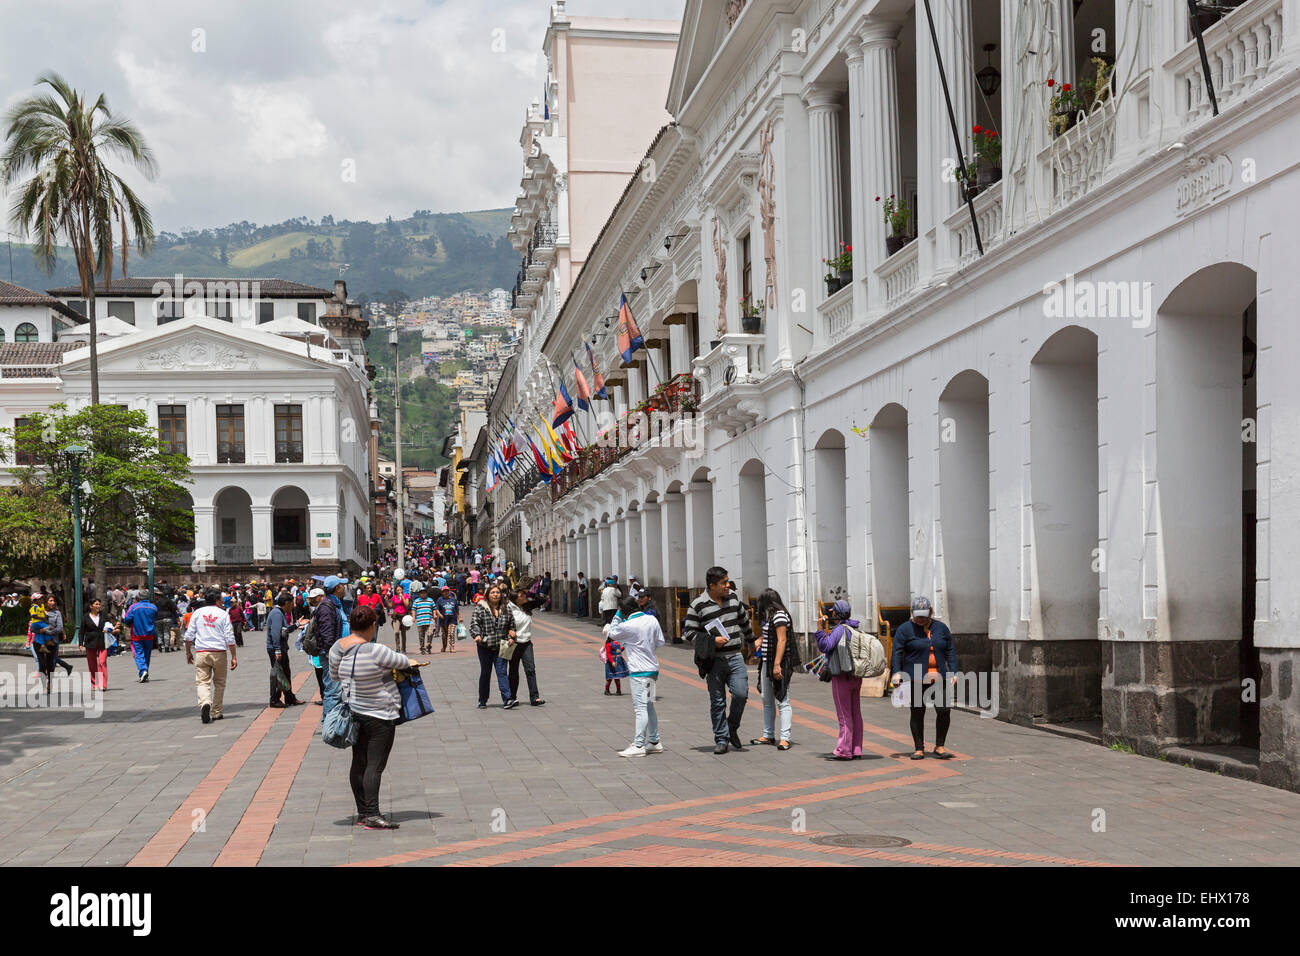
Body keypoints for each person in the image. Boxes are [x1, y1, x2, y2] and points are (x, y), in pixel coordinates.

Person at [330, 604, 410, 830]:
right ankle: (373, 814)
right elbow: (403, 662)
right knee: (374, 765)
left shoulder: (338, 647)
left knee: (359, 762)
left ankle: (363, 811)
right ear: (372, 625)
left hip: (355, 711)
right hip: (380, 714)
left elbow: (334, 675)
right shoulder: (376, 650)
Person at [684, 566, 754, 755]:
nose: (728, 585)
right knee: (718, 702)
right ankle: (721, 739)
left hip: (736, 657)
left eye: (728, 581)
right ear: (712, 585)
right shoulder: (698, 605)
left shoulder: (733, 598)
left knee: (741, 694)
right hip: (714, 660)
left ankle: (732, 727)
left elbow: (744, 621)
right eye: (724, 582)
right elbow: (688, 632)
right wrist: (712, 641)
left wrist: (751, 642)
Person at [890, 596, 958, 760]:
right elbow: (897, 652)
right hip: (916, 678)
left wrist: (954, 672)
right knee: (917, 712)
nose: (920, 619)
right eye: (917, 615)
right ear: (912, 613)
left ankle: (940, 746)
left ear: (931, 612)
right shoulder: (905, 629)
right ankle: (919, 748)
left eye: (924, 615)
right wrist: (896, 672)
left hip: (939, 677)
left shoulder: (941, 628)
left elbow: (950, 650)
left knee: (944, 710)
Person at [606, 595, 665, 756]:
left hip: (639, 671)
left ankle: (639, 745)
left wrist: (617, 615)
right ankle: (654, 741)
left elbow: (611, 633)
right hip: (652, 668)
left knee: (640, 708)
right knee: (649, 705)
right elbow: (660, 642)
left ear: (624, 611)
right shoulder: (652, 620)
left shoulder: (628, 625)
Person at [817, 599, 864, 760]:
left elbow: (825, 646)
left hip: (842, 676)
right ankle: (856, 748)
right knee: (856, 713)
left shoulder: (839, 630)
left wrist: (820, 630)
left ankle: (844, 750)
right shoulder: (856, 627)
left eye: (833, 613)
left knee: (844, 715)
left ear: (836, 614)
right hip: (856, 676)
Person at [185, 590, 239, 723]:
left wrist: (188, 652)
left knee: (202, 682)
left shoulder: (197, 613)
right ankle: (216, 712)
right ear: (216, 600)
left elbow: (189, 635)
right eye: (221, 600)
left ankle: (205, 702)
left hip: (201, 652)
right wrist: (233, 656)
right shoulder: (223, 614)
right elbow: (229, 637)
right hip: (219, 652)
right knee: (220, 683)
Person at [752, 588, 795, 751]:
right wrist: (760, 639)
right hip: (766, 662)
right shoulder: (773, 617)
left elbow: (782, 640)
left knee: (783, 699)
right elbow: (773, 635)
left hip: (778, 663)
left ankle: (785, 738)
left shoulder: (780, 616)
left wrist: (777, 664)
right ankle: (768, 734)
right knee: (767, 700)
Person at [470, 582, 513, 708]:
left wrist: (511, 636)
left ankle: (507, 699)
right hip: (485, 645)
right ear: (488, 595)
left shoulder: (506, 608)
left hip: (503, 644)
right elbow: (474, 623)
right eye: (493, 592)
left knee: (502, 672)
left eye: (498, 592)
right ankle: (482, 700)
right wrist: (477, 635)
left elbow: (512, 624)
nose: (495, 595)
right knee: (485, 672)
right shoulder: (481, 607)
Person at [504, 587, 545, 708]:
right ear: (516, 599)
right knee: (513, 671)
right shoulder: (507, 609)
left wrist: (530, 592)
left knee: (530, 669)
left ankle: (534, 697)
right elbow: (501, 624)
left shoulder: (526, 606)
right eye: (522, 595)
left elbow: (542, 600)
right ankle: (512, 697)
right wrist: (508, 632)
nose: (525, 597)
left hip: (526, 643)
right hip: (512, 643)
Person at [314, 576, 349, 718]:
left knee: (336, 689)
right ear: (337, 588)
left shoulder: (334, 604)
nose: (345, 587)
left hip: (336, 651)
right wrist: (331, 652)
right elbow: (326, 631)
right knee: (333, 690)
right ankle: (328, 721)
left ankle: (334, 718)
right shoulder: (326, 606)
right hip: (330, 654)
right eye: (342, 585)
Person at [266, 592, 302, 708]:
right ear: (286, 603)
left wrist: (296, 625)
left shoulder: (279, 613)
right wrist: (277, 650)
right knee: (278, 674)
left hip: (280, 647)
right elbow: (275, 633)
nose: (293, 606)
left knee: (285, 672)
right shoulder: (277, 614)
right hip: (277, 648)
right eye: (291, 604)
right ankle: (274, 699)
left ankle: (289, 697)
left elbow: (284, 630)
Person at [124, 590, 158, 683]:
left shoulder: (134, 607)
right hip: (149, 634)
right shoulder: (153, 607)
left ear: (138, 598)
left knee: (138, 654)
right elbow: (155, 617)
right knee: (147, 654)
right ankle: (145, 671)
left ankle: (143, 670)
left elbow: (127, 619)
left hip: (137, 634)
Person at [82, 597, 110, 691]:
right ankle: (95, 683)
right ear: (91, 606)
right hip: (90, 642)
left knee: (102, 662)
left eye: (99, 604)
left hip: (103, 642)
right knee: (92, 664)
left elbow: (109, 625)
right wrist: (81, 644)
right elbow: (81, 631)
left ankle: (103, 684)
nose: (98, 606)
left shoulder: (104, 615)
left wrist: (109, 629)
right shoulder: (86, 617)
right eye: (96, 604)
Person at [601, 628, 629, 695]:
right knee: (610, 677)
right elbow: (608, 654)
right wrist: (612, 662)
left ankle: (618, 690)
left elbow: (618, 651)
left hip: (618, 662)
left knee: (617, 677)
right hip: (611, 662)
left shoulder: (617, 643)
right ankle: (607, 690)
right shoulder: (608, 644)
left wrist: (624, 647)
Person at [412, 586, 437, 655]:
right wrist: (413, 617)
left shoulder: (430, 600)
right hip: (420, 621)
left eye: (424, 593)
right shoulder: (416, 601)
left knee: (430, 633)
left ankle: (428, 646)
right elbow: (413, 610)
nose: (423, 594)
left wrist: (434, 614)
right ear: (419, 594)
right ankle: (422, 648)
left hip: (429, 620)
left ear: (426, 593)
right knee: (421, 636)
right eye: (421, 593)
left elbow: (434, 608)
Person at [435, 585, 459, 653]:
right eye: (444, 591)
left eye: (447, 591)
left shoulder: (453, 599)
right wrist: (439, 615)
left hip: (452, 619)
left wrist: (459, 617)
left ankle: (452, 647)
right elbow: (437, 609)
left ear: (449, 591)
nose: (445, 593)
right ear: (442, 592)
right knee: (444, 635)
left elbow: (456, 609)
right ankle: (444, 646)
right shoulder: (440, 599)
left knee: (451, 633)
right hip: (443, 620)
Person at [390, 586, 411, 654]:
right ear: (396, 591)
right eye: (397, 590)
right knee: (396, 632)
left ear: (402, 590)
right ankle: (397, 647)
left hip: (404, 616)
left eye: (400, 590)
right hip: (396, 616)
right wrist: (387, 600)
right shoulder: (394, 597)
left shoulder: (406, 595)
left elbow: (406, 605)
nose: (399, 591)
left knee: (403, 633)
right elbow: (391, 606)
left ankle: (404, 648)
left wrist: (402, 597)